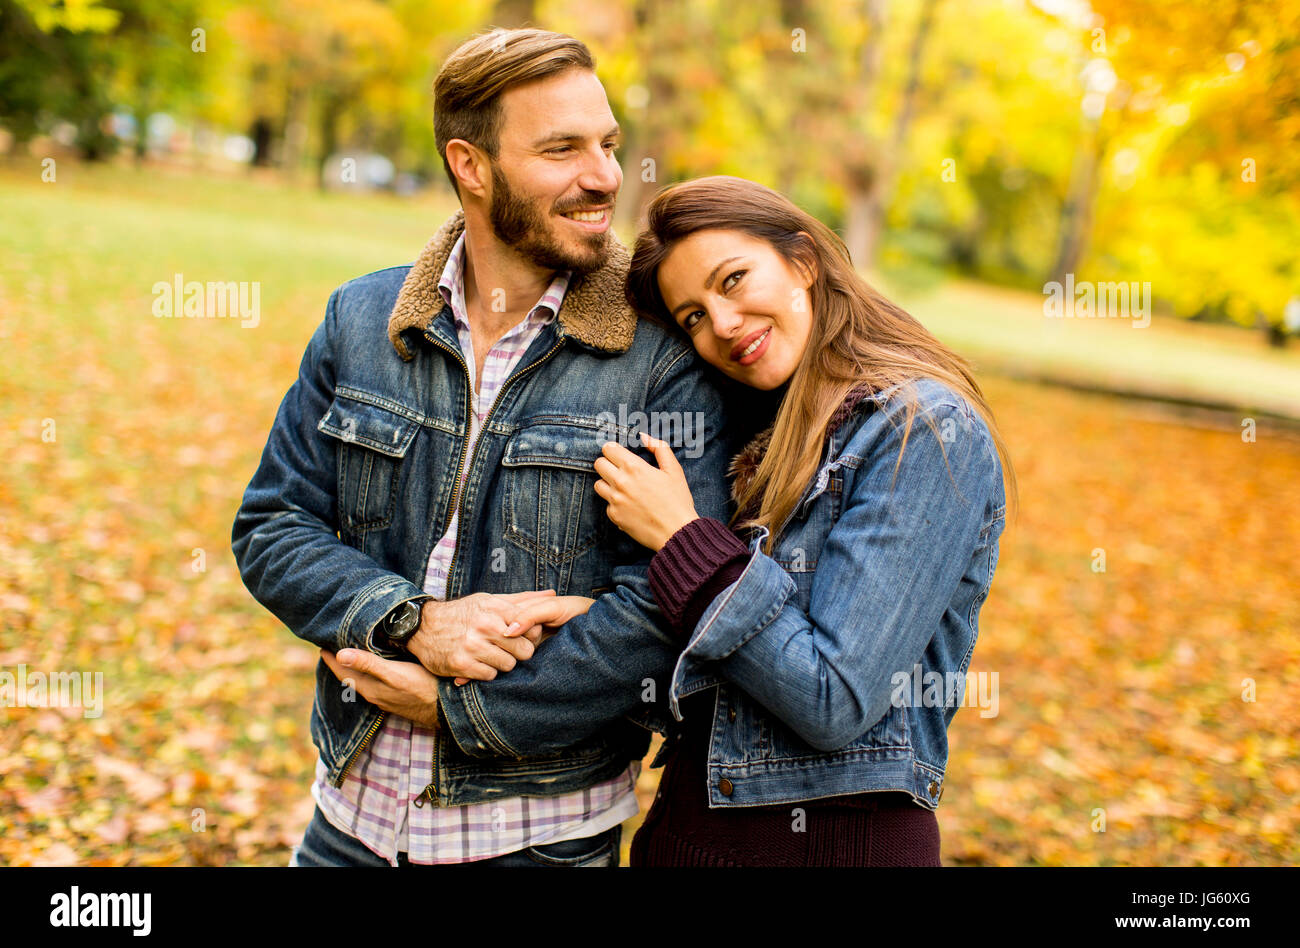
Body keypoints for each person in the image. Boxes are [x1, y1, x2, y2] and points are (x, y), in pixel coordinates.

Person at [230, 28, 734, 867]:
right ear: (471, 165)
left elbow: (661, 609)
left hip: (535, 840)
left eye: (608, 145)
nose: (605, 176)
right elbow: (273, 528)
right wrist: (413, 622)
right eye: (562, 149)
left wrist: (457, 711)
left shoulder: (660, 357)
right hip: (348, 823)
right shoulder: (362, 319)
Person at [515, 174, 1017, 865]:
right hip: (684, 839)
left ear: (803, 261)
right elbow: (743, 661)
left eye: (733, 280)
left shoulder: (923, 432)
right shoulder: (763, 435)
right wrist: (607, 620)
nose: (721, 325)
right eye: (692, 317)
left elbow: (832, 698)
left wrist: (683, 540)